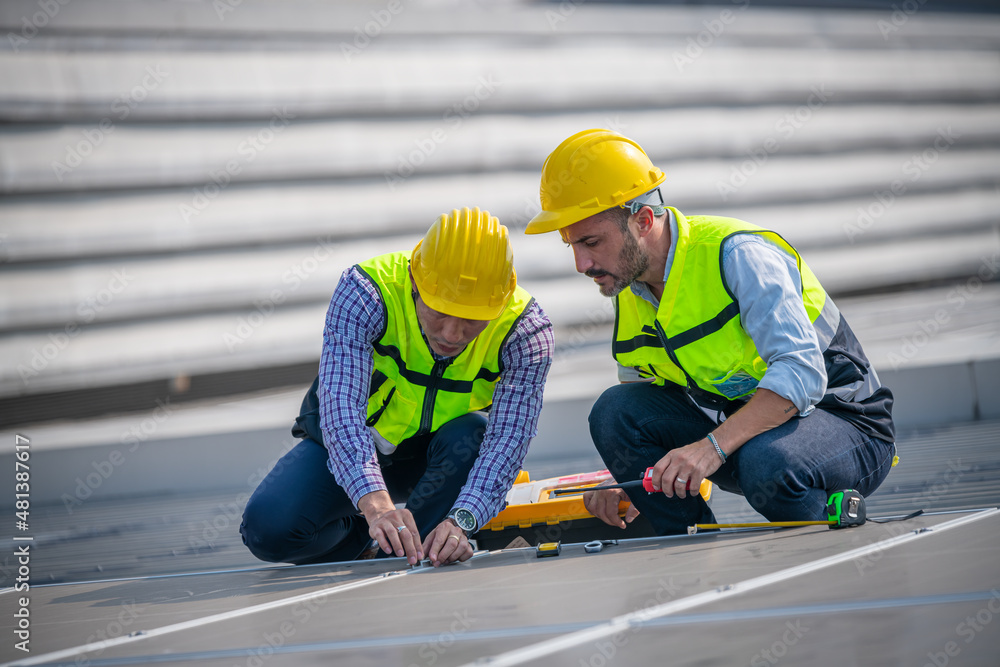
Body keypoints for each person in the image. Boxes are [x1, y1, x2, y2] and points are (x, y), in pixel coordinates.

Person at [524, 129, 895, 535]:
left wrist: (710, 449)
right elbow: (645, 405)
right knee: (616, 411)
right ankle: (692, 542)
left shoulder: (737, 255)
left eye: (591, 242)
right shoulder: (629, 290)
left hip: (846, 426)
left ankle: (830, 534)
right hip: (749, 435)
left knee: (765, 463)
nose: (581, 263)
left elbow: (802, 375)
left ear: (643, 220)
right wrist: (633, 485)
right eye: (571, 245)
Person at [241, 207, 554, 566]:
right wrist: (375, 507)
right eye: (440, 311)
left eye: (472, 320)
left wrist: (464, 520)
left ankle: (426, 540)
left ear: (498, 304)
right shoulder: (365, 292)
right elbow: (340, 410)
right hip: (358, 444)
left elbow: (507, 442)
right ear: (415, 283)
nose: (453, 335)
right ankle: (368, 540)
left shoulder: (526, 330)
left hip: (442, 459)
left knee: (475, 433)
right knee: (269, 529)